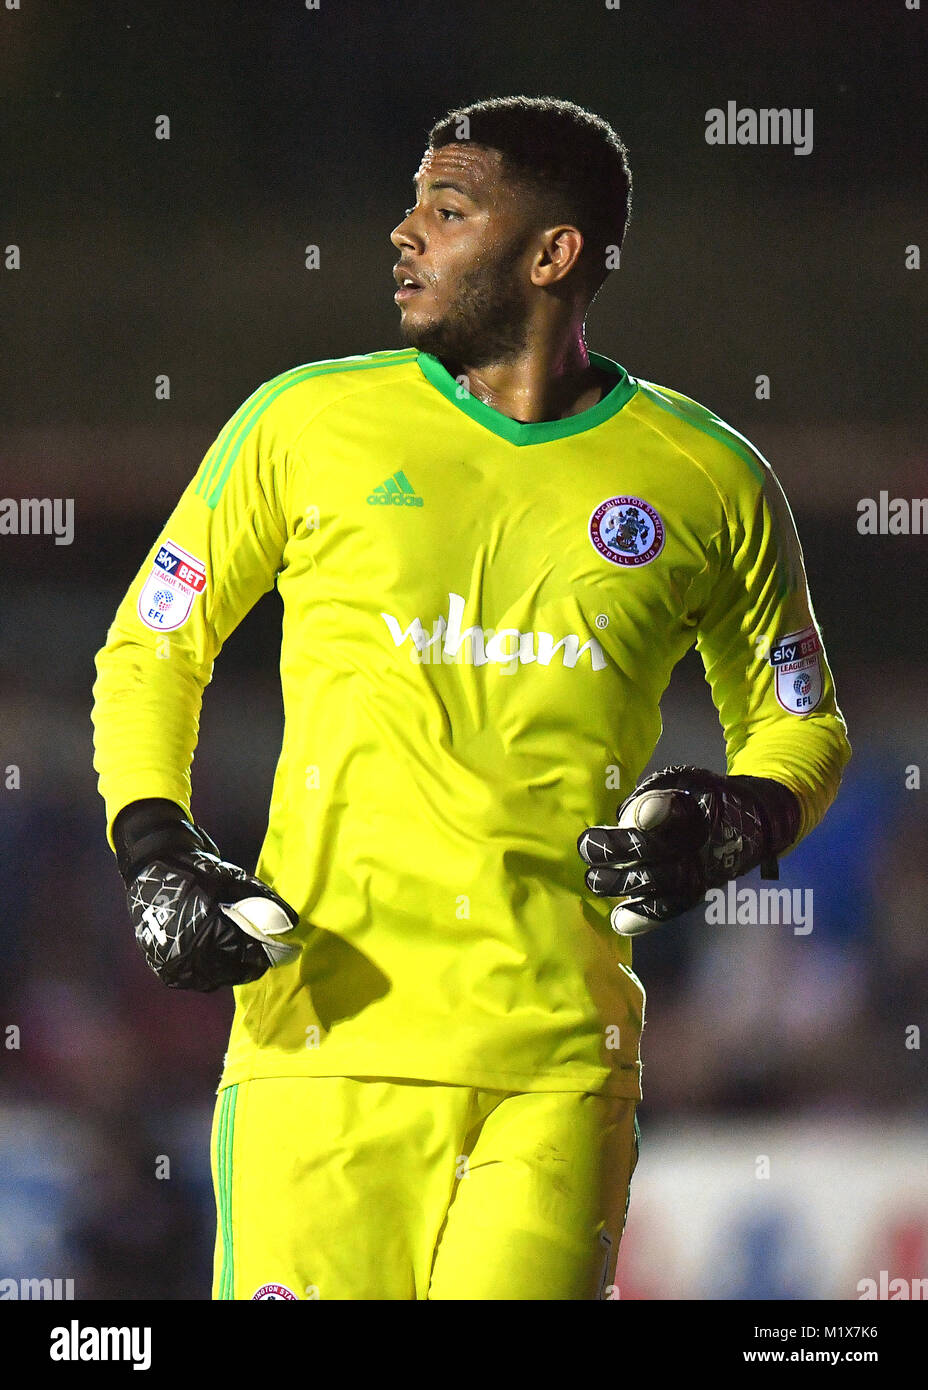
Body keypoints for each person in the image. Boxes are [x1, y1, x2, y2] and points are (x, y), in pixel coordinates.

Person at [91, 95, 851, 1301]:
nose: (404, 233)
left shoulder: (707, 478)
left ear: (551, 254)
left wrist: (739, 816)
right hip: (319, 1047)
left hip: (556, 1066)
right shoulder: (306, 421)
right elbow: (153, 649)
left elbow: (799, 719)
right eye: (412, 203)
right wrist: (155, 846)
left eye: (445, 209)